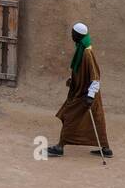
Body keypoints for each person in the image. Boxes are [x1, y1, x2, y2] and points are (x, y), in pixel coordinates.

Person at [47, 22, 111, 159]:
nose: (71, 35)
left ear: (78, 35)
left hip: (86, 94)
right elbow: (79, 70)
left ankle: (60, 147)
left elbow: (95, 76)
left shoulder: (87, 53)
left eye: (72, 33)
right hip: (82, 91)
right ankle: (106, 149)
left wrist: (90, 96)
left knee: (68, 116)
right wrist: (73, 79)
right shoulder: (81, 48)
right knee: (97, 119)